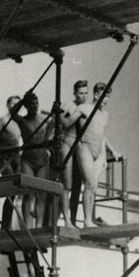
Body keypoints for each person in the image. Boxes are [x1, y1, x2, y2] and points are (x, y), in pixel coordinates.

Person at [74, 82, 121, 227]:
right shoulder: (85, 108)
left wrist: (111, 150)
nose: (107, 99)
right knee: (89, 183)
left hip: (98, 150)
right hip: (85, 146)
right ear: (96, 95)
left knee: (94, 186)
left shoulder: (105, 114)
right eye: (104, 96)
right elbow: (67, 123)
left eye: (108, 96)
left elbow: (101, 134)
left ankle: (89, 219)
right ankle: (87, 220)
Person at [10, 91, 51, 229]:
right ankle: (27, 226)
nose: (34, 106)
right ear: (27, 106)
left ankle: (38, 225)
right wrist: (22, 100)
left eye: (36, 103)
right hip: (28, 159)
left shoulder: (44, 119)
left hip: (42, 159)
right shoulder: (22, 121)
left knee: (41, 194)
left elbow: (56, 123)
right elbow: (12, 113)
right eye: (31, 104)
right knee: (27, 193)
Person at [54, 80, 89, 226]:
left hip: (78, 148)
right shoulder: (70, 105)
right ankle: (65, 220)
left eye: (86, 93)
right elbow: (61, 122)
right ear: (75, 93)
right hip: (67, 145)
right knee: (66, 185)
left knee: (77, 187)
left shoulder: (87, 107)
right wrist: (58, 112)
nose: (84, 96)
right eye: (81, 93)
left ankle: (73, 220)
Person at [0, 95, 23, 230]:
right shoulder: (3, 120)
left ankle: (11, 224)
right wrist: (1, 150)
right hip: (5, 157)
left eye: (18, 104)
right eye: (13, 104)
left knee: (17, 190)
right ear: (8, 105)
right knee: (10, 190)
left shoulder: (19, 121)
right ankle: (5, 226)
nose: (15, 106)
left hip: (16, 156)